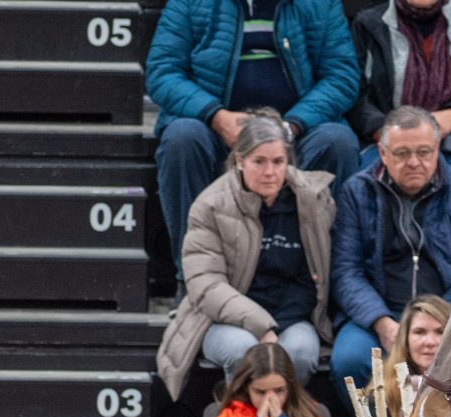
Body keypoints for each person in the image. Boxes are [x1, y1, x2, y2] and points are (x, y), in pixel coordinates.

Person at [146, 0, 359, 277]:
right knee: (182, 139)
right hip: (216, 129)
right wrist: (216, 116)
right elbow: (162, 71)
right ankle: (195, 278)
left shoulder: (320, 4)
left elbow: (342, 76)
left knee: (338, 142)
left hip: (294, 130)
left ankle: (321, 284)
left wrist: (292, 126)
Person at [155, 112, 335, 401]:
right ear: (239, 161)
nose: (269, 172)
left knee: (300, 354)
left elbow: (314, 276)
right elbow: (206, 285)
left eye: (278, 162)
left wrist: (277, 326)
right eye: (259, 162)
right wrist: (262, 327)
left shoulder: (312, 200)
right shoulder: (210, 205)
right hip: (224, 319)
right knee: (245, 353)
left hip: (291, 315)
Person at [330, 106, 451, 396]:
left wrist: (435, 324)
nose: (414, 162)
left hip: (448, 317)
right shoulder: (357, 191)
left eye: (424, 152)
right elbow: (345, 270)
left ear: (437, 147)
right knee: (349, 360)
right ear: (382, 152)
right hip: (379, 314)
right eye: (402, 153)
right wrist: (382, 322)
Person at [348, 0, 451, 199]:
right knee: (366, 185)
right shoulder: (368, 24)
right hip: (389, 139)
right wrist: (388, 132)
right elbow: (354, 95)